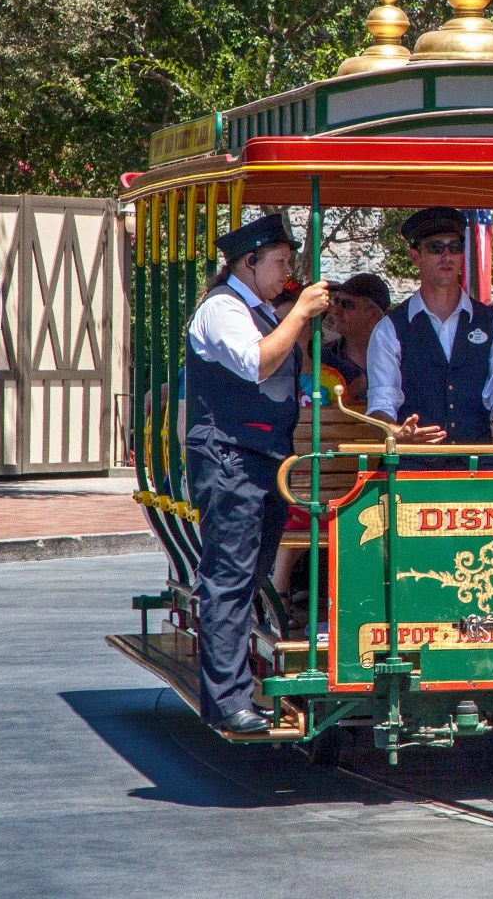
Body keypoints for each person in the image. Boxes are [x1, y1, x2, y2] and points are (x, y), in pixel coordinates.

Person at [184, 213, 329, 734]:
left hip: (262, 461)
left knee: (248, 580)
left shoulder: (263, 310)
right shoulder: (223, 309)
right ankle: (227, 701)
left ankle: (237, 690)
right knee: (228, 581)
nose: (288, 272)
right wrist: (301, 314)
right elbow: (258, 363)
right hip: (229, 459)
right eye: (281, 262)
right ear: (249, 262)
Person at [365, 207, 493, 461]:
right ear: (415, 256)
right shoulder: (390, 329)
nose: (447, 255)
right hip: (411, 475)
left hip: (477, 476)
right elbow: (381, 403)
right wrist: (397, 432)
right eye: (435, 247)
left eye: (454, 247)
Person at [323, 273, 390, 401]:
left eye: (347, 304)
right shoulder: (323, 359)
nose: (336, 311)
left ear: (373, 314)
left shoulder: (398, 358)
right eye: (336, 302)